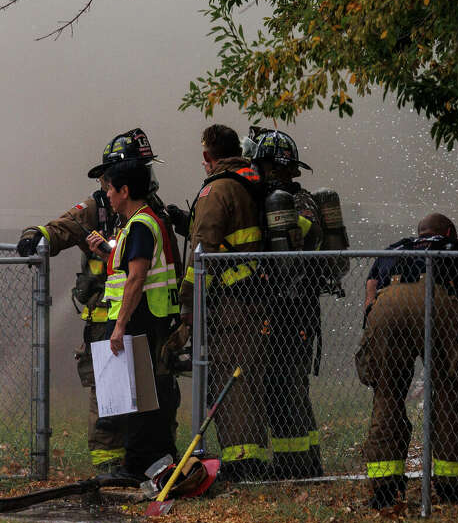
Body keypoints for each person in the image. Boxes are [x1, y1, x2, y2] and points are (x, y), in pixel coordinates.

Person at [15, 128, 173, 473]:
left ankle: (153, 464)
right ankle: (110, 470)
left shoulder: (148, 212)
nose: (147, 177)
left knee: (155, 393)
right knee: (109, 399)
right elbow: (63, 227)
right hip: (108, 318)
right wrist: (36, 236)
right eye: (140, 168)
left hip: (145, 316)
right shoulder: (97, 208)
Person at [355, 213, 458, 509]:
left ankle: (385, 488)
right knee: (450, 394)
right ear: (448, 231)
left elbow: (371, 287)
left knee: (387, 394)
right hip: (438, 301)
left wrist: (373, 323)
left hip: (388, 304)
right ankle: (452, 486)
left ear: (419, 233)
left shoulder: (396, 248)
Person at [179, 124, 270, 482]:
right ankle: (252, 456)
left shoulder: (216, 190)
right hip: (256, 301)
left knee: (232, 384)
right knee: (250, 379)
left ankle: (241, 463)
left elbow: (202, 252)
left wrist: (187, 305)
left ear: (207, 156)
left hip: (228, 306)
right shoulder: (253, 183)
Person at [86, 160, 181, 478]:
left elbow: (136, 278)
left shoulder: (140, 224)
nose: (107, 195)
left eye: (111, 189)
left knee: (136, 396)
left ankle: (136, 466)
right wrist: (105, 254)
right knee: (146, 394)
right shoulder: (139, 224)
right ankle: (162, 460)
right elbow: (128, 268)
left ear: (125, 191)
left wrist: (121, 326)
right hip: (145, 317)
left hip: (140, 319)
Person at [248, 128, 331, 479]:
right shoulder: (281, 199)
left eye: (263, 167)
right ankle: (305, 461)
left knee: (285, 386)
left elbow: (307, 237)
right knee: (285, 386)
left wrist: (271, 215)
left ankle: (295, 465)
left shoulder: (300, 201)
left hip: (295, 307)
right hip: (282, 305)